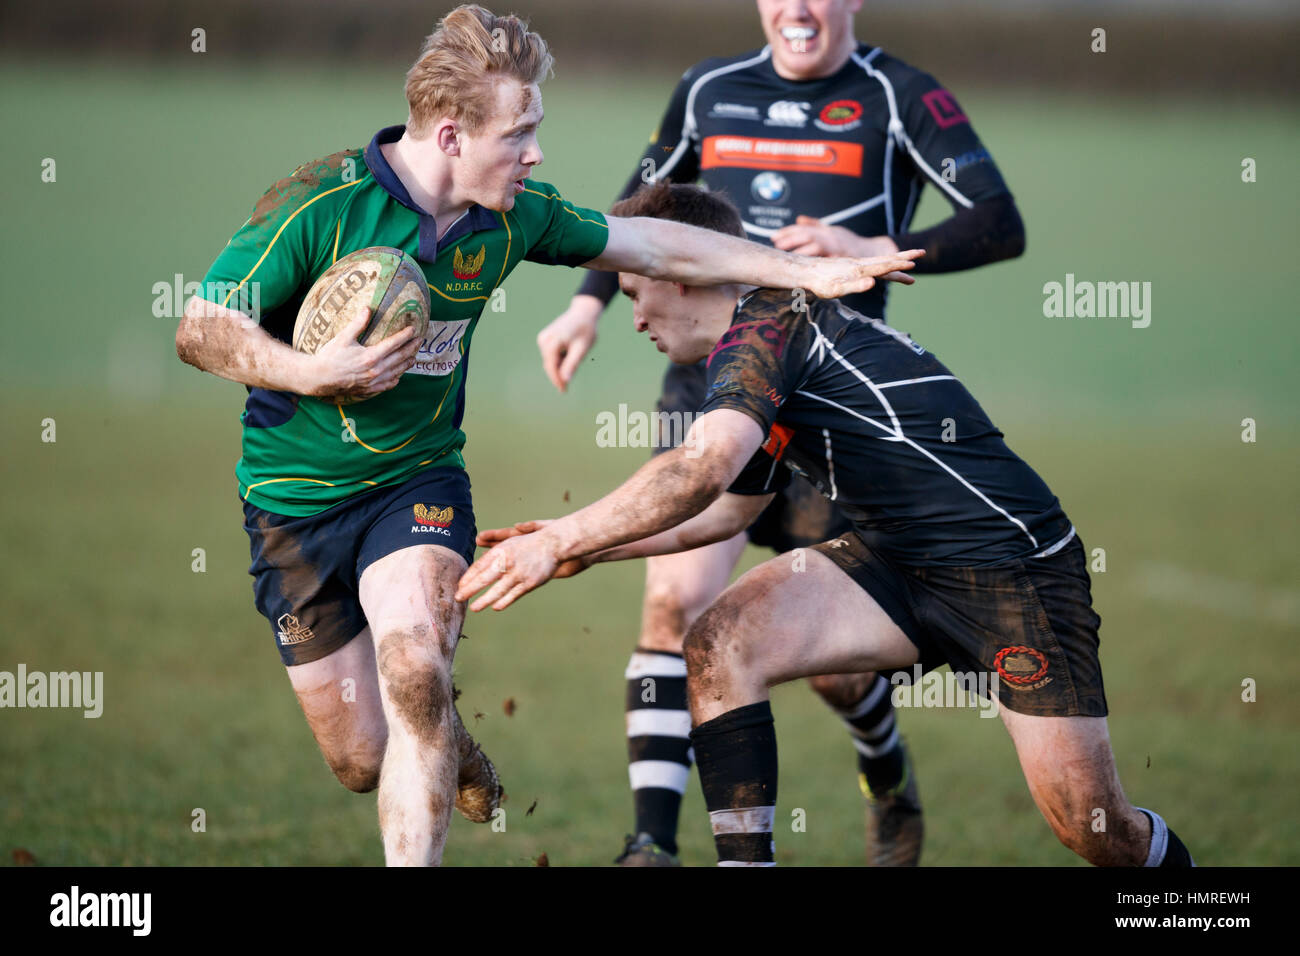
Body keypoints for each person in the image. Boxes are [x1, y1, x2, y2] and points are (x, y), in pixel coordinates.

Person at [174, 6, 919, 866]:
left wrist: (805, 271)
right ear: (452, 135)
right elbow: (199, 328)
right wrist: (311, 373)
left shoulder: (514, 215)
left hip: (415, 485)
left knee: (414, 660)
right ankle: (451, 738)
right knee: (361, 758)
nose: (535, 153)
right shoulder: (320, 202)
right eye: (520, 134)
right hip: (290, 503)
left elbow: (656, 246)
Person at [456, 183, 1192, 869]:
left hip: (1010, 570)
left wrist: (566, 537)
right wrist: (589, 547)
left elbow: (701, 469)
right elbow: (733, 508)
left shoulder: (769, 329)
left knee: (1095, 828)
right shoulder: (753, 336)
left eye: (636, 294)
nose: (637, 318)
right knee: (721, 640)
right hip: (893, 561)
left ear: (678, 274)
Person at [536, 0, 1025, 866]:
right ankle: (650, 845)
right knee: (671, 600)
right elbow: (640, 214)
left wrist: (874, 241)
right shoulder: (708, 89)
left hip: (826, 400)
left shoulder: (897, 94)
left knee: (838, 670)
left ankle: (884, 769)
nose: (796, 7)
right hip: (707, 378)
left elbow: (999, 221)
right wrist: (585, 303)